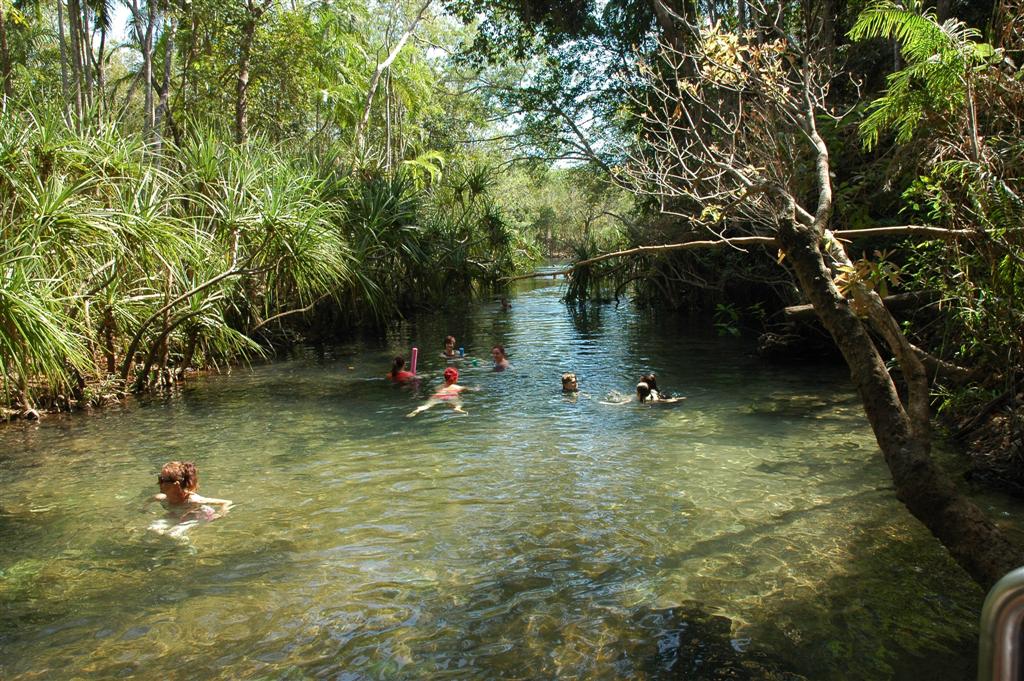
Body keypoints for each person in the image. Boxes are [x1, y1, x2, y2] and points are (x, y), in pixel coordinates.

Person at [149, 461, 232, 536]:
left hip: (197, 517)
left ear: (176, 485)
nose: (159, 482)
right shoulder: (162, 497)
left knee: (172, 534)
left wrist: (220, 514)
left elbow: (226, 502)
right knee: (152, 529)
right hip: (178, 515)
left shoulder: (193, 500)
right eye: (160, 478)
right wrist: (144, 509)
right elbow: (149, 500)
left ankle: (187, 549)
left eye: (163, 480)